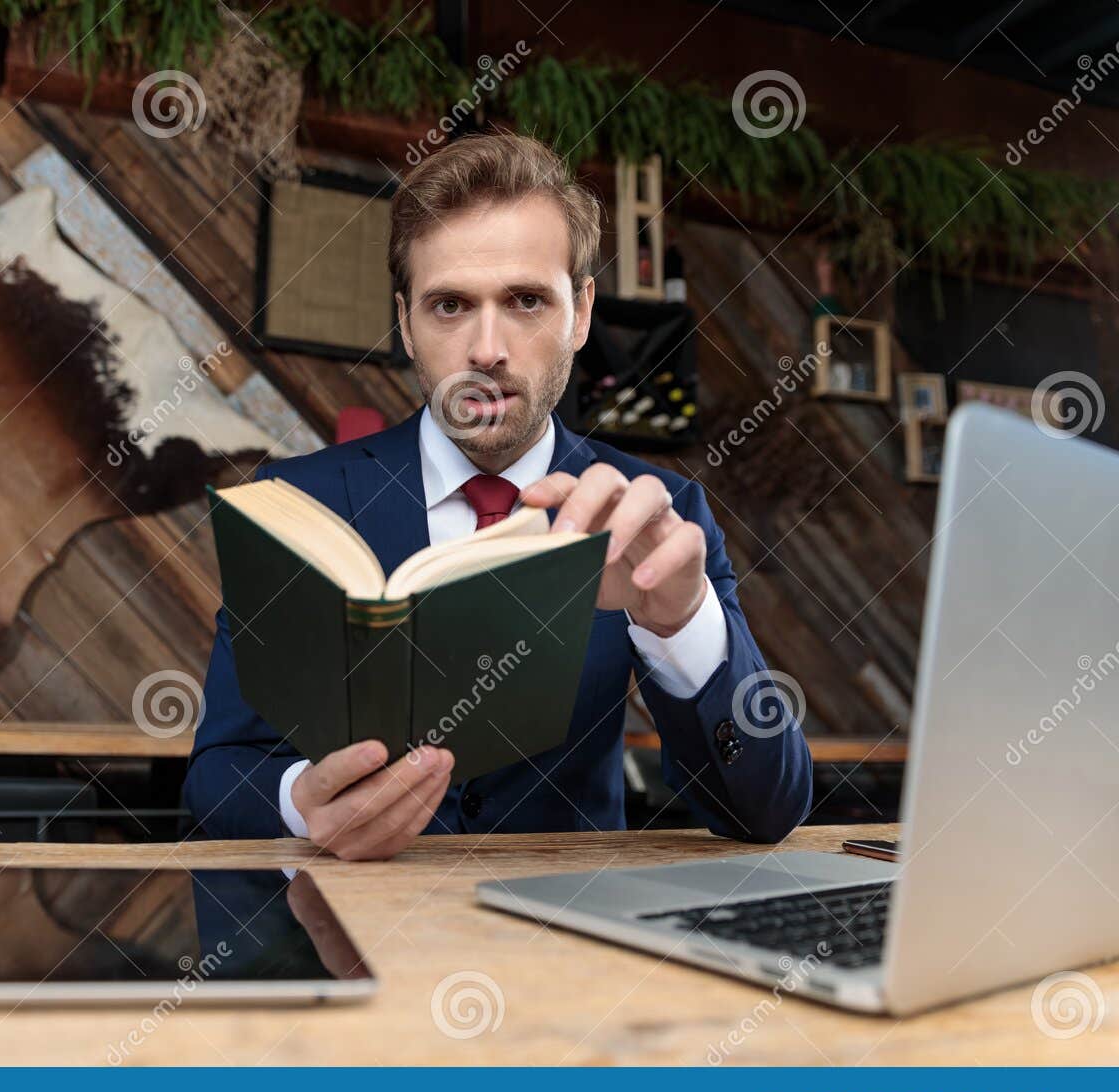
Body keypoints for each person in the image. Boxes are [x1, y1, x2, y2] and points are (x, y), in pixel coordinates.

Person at [185, 129, 811, 859]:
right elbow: (214, 780)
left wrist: (683, 623)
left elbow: (768, 810)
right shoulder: (293, 503)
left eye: (524, 300)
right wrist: (300, 803)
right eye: (449, 305)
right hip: (352, 943)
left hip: (563, 944)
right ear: (406, 325)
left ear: (580, 313)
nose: (487, 349)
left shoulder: (659, 513)